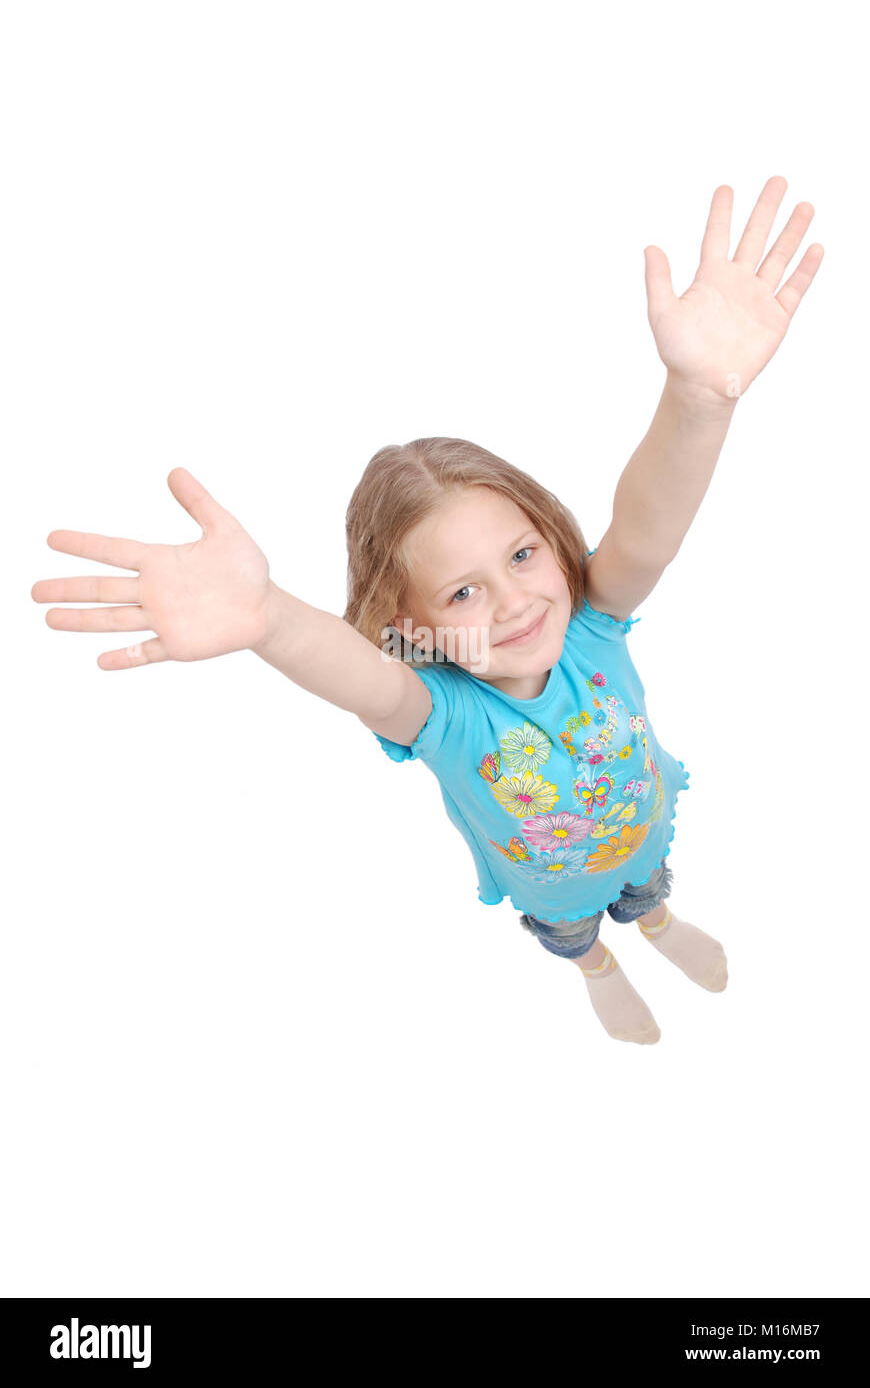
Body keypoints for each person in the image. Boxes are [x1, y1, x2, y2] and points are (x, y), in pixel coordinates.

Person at [31, 176, 823, 1045]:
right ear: (409, 626)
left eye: (521, 556)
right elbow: (361, 678)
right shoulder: (443, 715)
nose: (516, 599)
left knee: (648, 886)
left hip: (640, 837)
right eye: (461, 592)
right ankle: (596, 964)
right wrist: (265, 616)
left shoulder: (593, 621)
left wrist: (697, 400)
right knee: (574, 934)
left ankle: (657, 923)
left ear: (553, 543)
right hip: (551, 892)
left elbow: (647, 529)